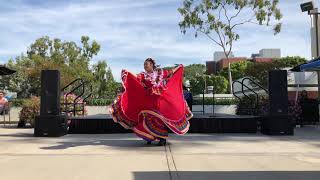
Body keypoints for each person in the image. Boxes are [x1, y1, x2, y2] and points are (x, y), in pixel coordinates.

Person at [110, 58, 193, 146]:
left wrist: (179, 67)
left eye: (147, 64)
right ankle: (149, 137)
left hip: (160, 101)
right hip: (148, 101)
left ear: (152, 65)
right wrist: (127, 73)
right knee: (148, 118)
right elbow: (134, 77)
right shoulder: (143, 75)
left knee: (160, 119)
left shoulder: (160, 73)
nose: (145, 66)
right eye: (144, 64)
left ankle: (162, 139)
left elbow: (170, 72)